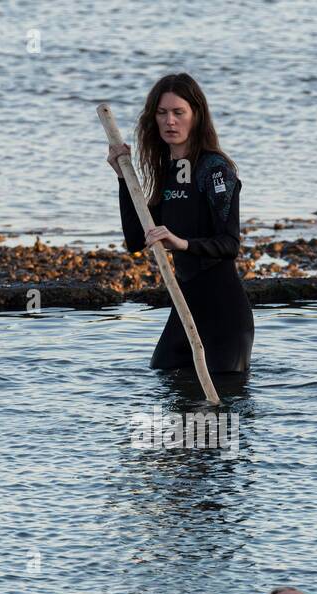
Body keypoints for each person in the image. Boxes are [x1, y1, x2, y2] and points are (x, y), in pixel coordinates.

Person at [108, 73, 254, 373]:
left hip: (224, 318)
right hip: (185, 310)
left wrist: (181, 244)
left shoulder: (214, 169)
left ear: (196, 116)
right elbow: (136, 240)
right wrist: (124, 178)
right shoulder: (170, 172)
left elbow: (229, 244)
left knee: (216, 416)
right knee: (162, 375)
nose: (169, 121)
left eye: (178, 112)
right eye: (162, 113)